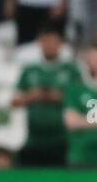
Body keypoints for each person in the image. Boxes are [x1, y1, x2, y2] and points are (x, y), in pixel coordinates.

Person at [12, 24, 79, 166]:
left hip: (62, 138)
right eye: (46, 41)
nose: (50, 46)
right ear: (40, 43)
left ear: (60, 44)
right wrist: (32, 96)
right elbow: (14, 101)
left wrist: (58, 97)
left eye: (54, 42)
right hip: (32, 138)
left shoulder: (70, 70)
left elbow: (82, 101)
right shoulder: (29, 70)